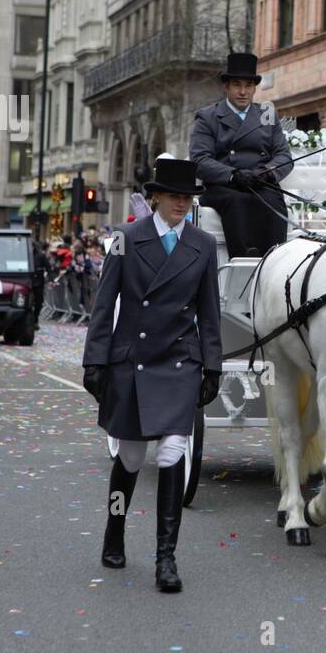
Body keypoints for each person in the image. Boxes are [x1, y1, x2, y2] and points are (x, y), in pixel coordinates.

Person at [82, 157, 224, 594]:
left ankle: (167, 557)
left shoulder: (202, 244)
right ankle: (115, 529)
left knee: (170, 455)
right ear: (156, 197)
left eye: (188, 197)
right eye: (175, 195)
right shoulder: (126, 238)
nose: (182, 203)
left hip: (179, 361)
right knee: (129, 458)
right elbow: (105, 305)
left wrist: (212, 365)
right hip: (133, 360)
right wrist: (95, 360)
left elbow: (209, 312)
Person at [188, 52, 293, 258]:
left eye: (248, 86)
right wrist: (233, 174)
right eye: (237, 85)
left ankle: (275, 258)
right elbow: (199, 159)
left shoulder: (267, 114)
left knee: (273, 201)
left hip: (260, 183)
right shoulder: (208, 116)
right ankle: (244, 260)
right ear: (226, 86)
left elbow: (283, 155)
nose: (243, 92)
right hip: (224, 187)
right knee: (238, 202)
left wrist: (266, 173)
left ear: (254, 88)